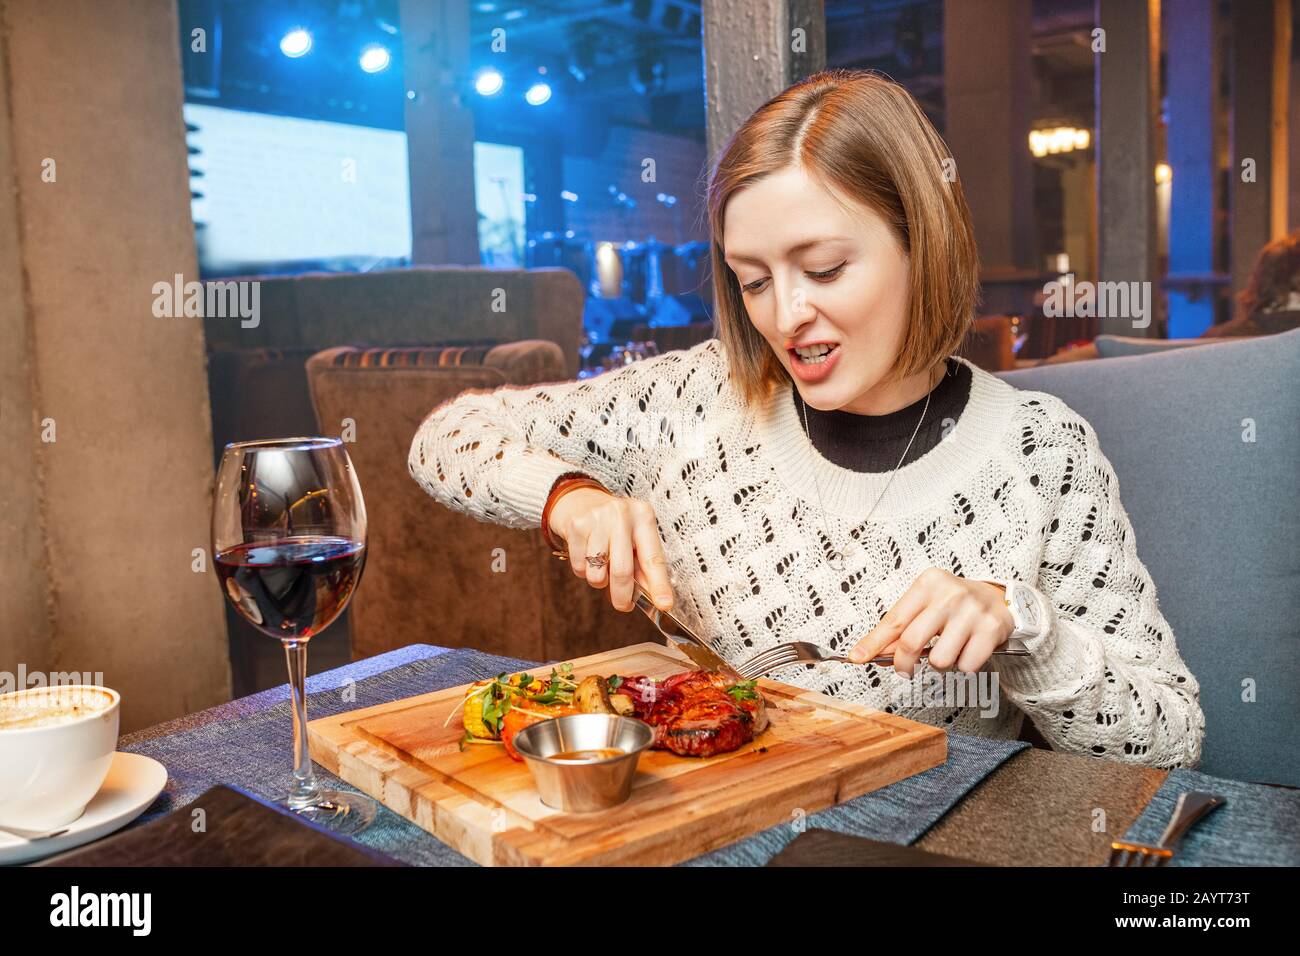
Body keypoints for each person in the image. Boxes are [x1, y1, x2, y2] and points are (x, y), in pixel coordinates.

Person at [408, 69, 1204, 769]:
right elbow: (447, 436)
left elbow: (1170, 741)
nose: (786, 316)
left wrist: (1025, 626)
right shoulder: (698, 397)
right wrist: (567, 497)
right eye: (752, 281)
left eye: (823, 269)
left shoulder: (1038, 450)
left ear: (920, 245)